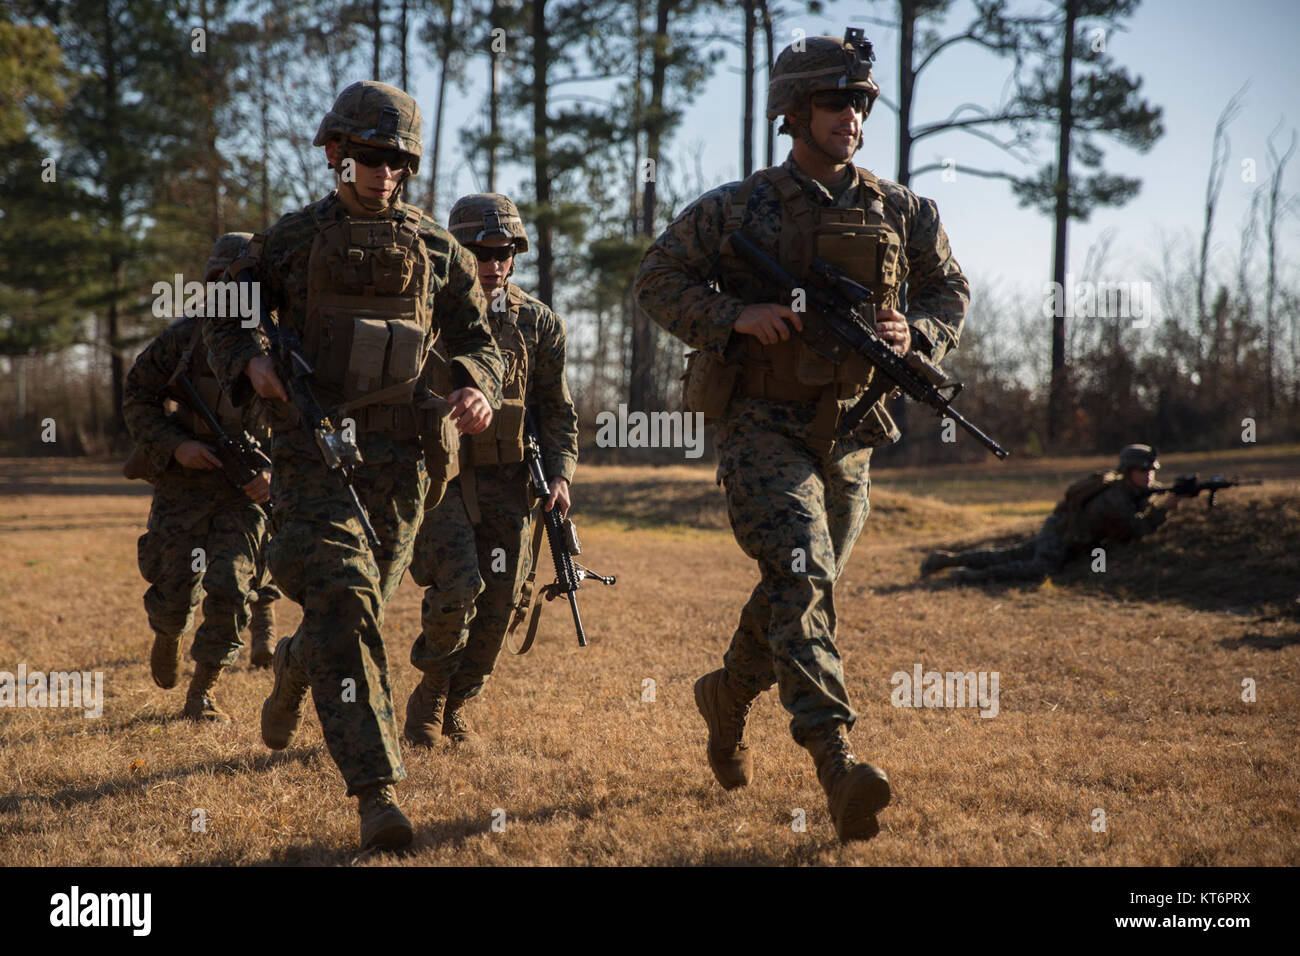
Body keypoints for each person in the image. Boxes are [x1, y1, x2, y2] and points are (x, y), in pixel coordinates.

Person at [634, 29, 969, 842]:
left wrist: (912, 334)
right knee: (802, 570)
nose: (850, 116)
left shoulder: (902, 209)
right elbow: (656, 278)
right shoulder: (735, 206)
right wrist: (734, 315)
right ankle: (837, 761)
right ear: (794, 111)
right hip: (761, 426)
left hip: (851, 434)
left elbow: (950, 291)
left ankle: (727, 693)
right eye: (833, 101)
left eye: (859, 101)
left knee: (801, 589)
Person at [204, 81, 503, 851]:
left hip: (404, 466)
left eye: (396, 159)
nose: (382, 173)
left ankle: (298, 666)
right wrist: (252, 363)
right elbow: (227, 315)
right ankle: (377, 793)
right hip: (312, 455)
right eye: (368, 157)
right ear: (336, 153)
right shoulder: (293, 238)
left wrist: (476, 386)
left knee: (355, 609)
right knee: (343, 595)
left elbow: (478, 339)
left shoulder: (438, 249)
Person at [404, 193, 578, 748]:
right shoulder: (422, 313)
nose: (492, 264)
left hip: (510, 482)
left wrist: (561, 474)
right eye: (478, 251)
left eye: (502, 252)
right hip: (441, 478)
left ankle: (458, 702)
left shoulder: (539, 325)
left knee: (504, 600)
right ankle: (429, 696)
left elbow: (557, 411)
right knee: (460, 583)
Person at [123, 232, 279, 723]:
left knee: (232, 587)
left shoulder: (282, 343)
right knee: (174, 589)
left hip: (245, 491)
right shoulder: (184, 337)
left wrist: (275, 473)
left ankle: (203, 691)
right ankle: (168, 633)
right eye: (224, 281)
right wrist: (176, 445)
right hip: (184, 482)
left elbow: (306, 420)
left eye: (246, 282)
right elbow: (137, 395)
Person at [922, 444, 1181, 582]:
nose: (1149, 476)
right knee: (1039, 569)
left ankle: (945, 560)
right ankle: (968, 576)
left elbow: (1154, 492)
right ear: (1128, 471)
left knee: (1008, 554)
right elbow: (1139, 530)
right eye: (1143, 471)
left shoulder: (1130, 489)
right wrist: (1164, 510)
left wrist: (1181, 490)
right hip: (1060, 534)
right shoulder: (1115, 497)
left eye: (1152, 471)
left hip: (1065, 531)